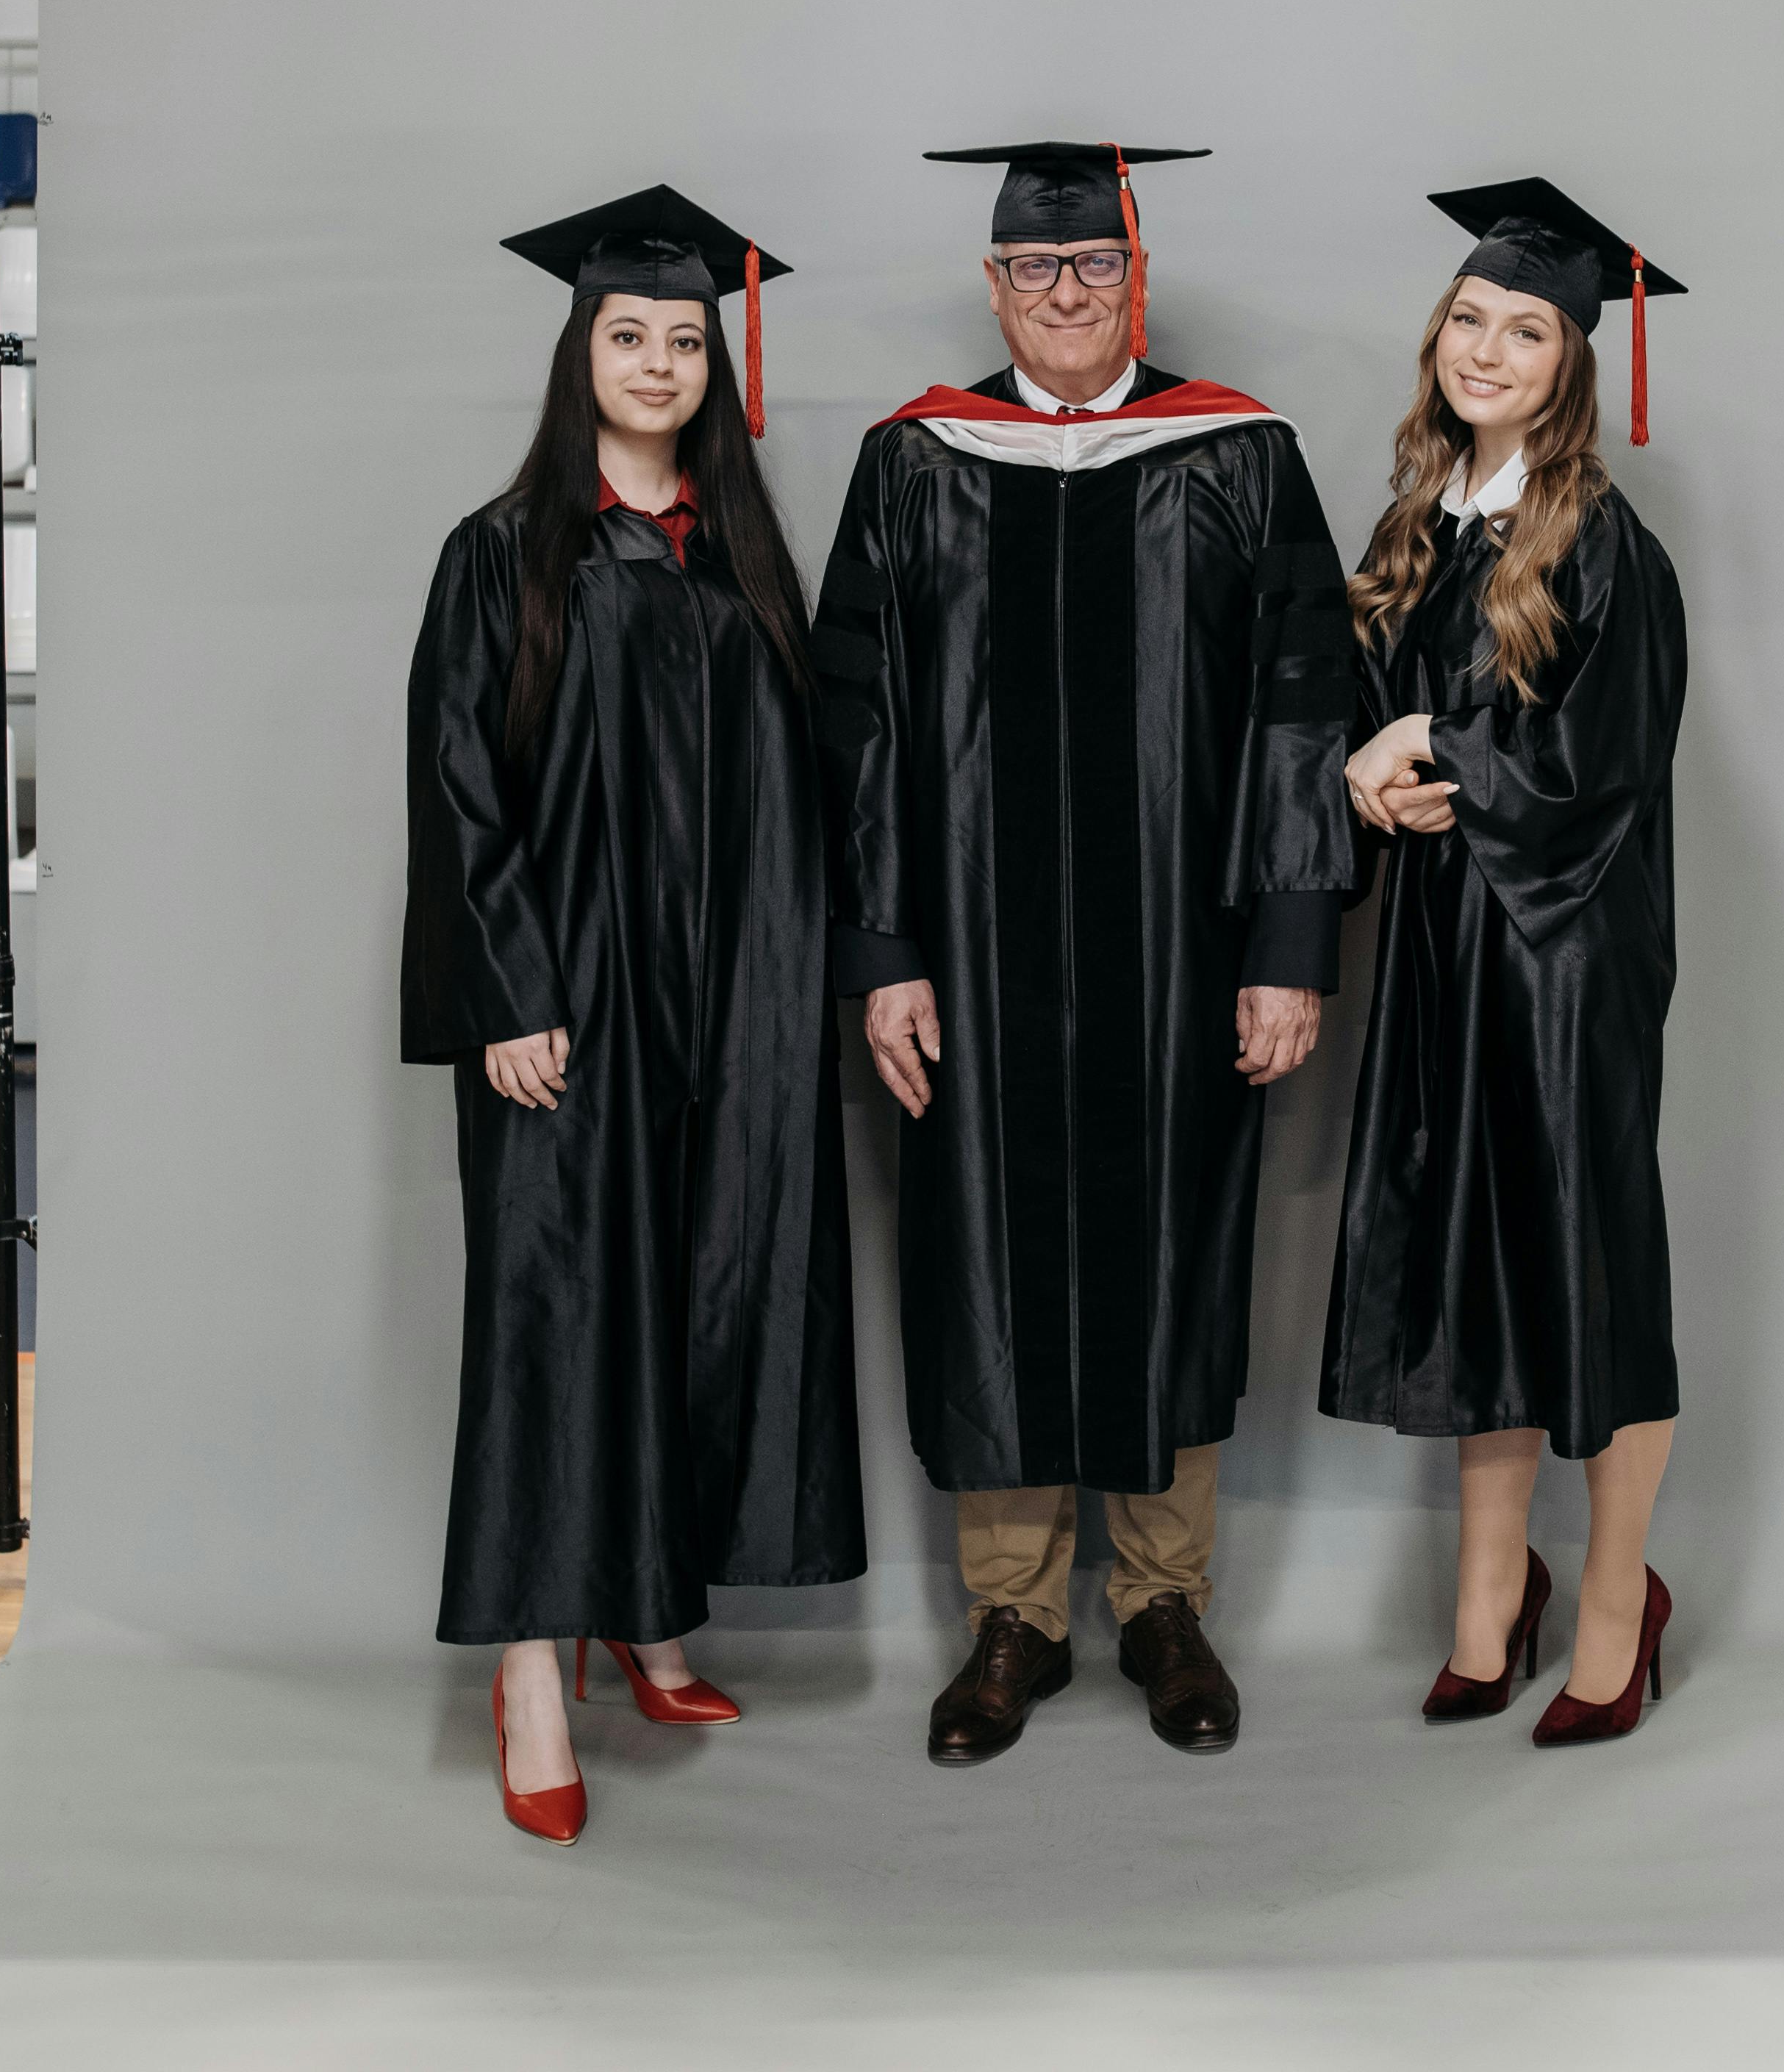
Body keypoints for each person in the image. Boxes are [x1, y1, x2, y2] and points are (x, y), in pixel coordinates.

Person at [815, 142, 1362, 1765]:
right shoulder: (914, 462)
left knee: (1169, 1255)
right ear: (993, 285)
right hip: (972, 957)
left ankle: (1163, 1602)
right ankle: (1012, 1618)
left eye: (1093, 271)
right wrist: (883, 948)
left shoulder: (1240, 454)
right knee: (986, 1251)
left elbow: (1297, 707)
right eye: (1034, 272)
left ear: (1135, 277)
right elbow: (862, 725)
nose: (1065, 297)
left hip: (1180, 954)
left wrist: (1285, 940)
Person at [401, 185, 864, 1846]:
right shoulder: (505, 554)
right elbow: (458, 796)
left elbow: (802, 789)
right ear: (576, 350)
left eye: (685, 339)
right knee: (553, 1319)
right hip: (569, 1008)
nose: (658, 361)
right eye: (629, 334)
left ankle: (649, 1611)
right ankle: (534, 1667)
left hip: (730, 1006)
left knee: (694, 1299)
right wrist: (509, 995)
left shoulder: (741, 558)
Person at [1324, 179, 1691, 1747]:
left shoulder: (1603, 542)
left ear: (1570, 363)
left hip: (1562, 960)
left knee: (1584, 1265)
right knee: (1471, 1261)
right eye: (1468, 319)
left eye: (1523, 328)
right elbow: (1373, 726)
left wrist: (1434, 742)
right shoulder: (1416, 525)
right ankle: (1488, 1597)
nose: (1486, 349)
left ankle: (1614, 1598)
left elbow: (1599, 765)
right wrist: (1373, 774)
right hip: (1438, 944)